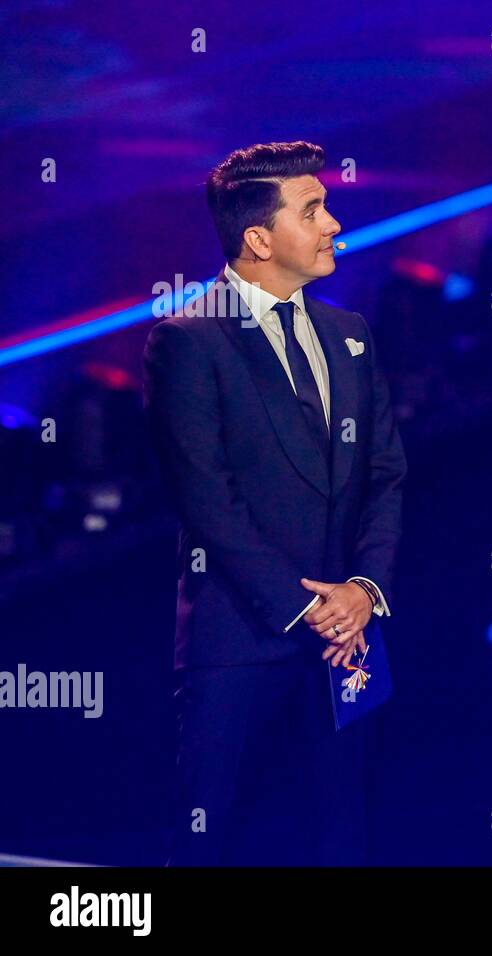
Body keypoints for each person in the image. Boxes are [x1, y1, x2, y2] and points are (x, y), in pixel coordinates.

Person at [142, 141, 406, 865]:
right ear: (258, 239)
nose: (333, 224)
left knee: (343, 835)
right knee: (208, 839)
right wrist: (310, 607)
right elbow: (207, 502)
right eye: (313, 210)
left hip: (349, 640)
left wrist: (362, 591)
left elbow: (385, 475)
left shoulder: (350, 336)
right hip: (238, 640)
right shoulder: (188, 340)